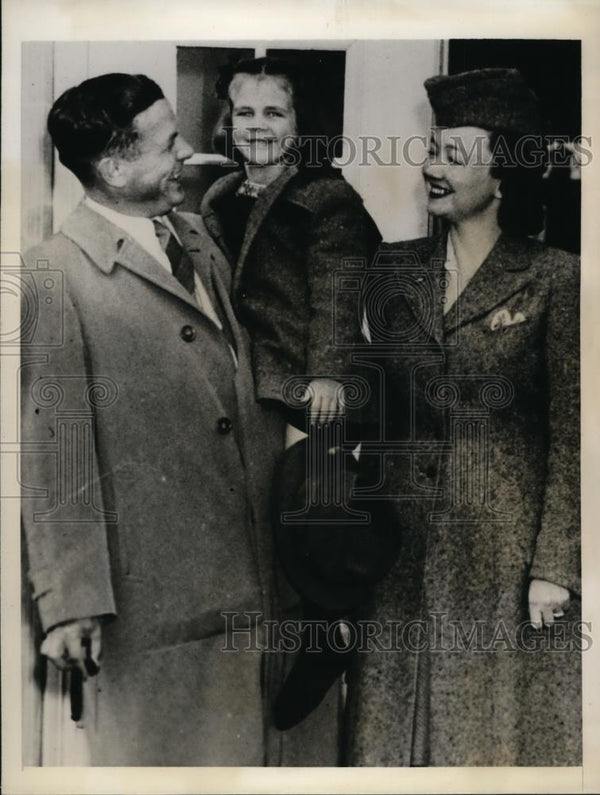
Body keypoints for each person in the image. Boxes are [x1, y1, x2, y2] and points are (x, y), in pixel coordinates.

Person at [21, 72, 282, 765]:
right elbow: (57, 446)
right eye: (169, 144)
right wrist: (69, 601)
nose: (189, 152)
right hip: (152, 610)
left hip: (248, 589)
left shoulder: (196, 237)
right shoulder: (54, 272)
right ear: (113, 167)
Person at [344, 68, 581, 766]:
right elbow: (375, 399)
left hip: (502, 563)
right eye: (431, 150)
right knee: (388, 745)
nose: (432, 167)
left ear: (503, 173)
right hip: (398, 557)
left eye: (454, 154)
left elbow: (575, 435)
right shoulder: (394, 269)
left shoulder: (557, 279)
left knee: (487, 743)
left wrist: (556, 567)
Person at [200, 56, 382, 737]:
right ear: (228, 122)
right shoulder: (219, 197)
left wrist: (329, 373)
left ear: (302, 125)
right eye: (245, 112)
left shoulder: (325, 196)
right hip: (247, 377)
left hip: (305, 384)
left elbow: (339, 285)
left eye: (274, 113)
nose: (258, 126)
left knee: (309, 512)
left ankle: (331, 627)